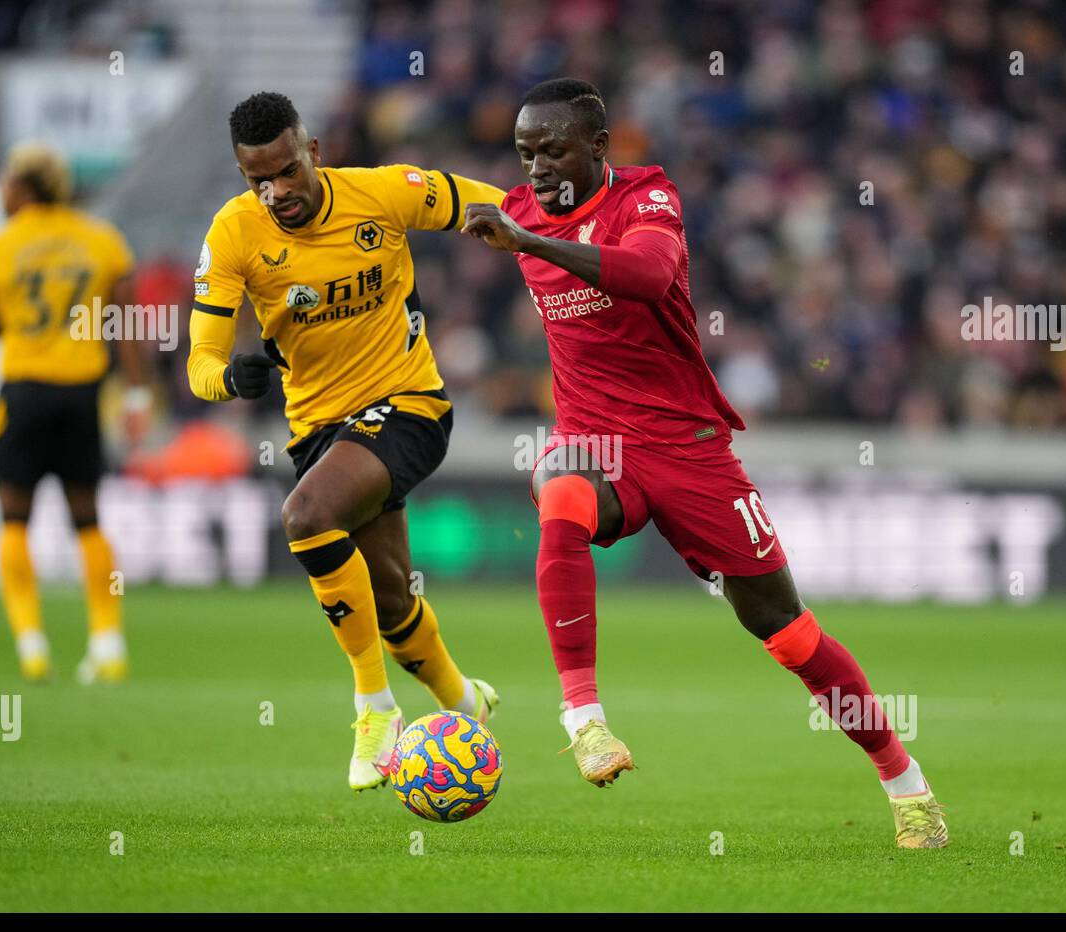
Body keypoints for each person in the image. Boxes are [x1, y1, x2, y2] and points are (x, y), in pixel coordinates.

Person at [461, 79, 947, 848]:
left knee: (787, 633)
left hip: (688, 449)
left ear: (598, 146)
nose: (537, 167)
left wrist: (528, 244)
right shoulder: (513, 207)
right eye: (525, 153)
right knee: (560, 492)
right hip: (594, 439)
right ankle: (583, 717)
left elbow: (649, 276)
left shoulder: (647, 199)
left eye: (553, 149)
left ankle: (905, 781)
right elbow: (406, 198)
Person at [187, 92, 504, 791]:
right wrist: (229, 380)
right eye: (256, 181)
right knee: (390, 602)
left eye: (284, 172)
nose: (275, 192)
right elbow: (199, 361)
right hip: (320, 430)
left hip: (410, 404)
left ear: (313, 153)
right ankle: (464, 703)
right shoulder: (235, 233)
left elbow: (493, 204)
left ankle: (375, 707)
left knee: (305, 516)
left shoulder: (382, 195)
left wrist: (563, 238)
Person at [0, 141, 148, 683]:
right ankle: (109, 643)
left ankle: (30, 644)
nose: (1, 190)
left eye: (7, 180)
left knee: (13, 517)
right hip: (81, 393)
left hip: (23, 392)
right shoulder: (101, 240)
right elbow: (127, 327)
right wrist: (136, 395)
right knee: (88, 519)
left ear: (24, 186)